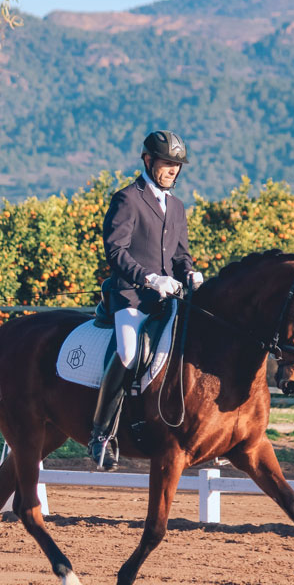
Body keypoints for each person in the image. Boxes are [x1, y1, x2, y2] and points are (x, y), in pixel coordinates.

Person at [88, 130, 203, 470]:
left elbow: (180, 254)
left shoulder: (178, 206)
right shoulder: (128, 199)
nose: (173, 170)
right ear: (148, 161)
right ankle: (101, 435)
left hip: (170, 299)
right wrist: (149, 278)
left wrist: (189, 273)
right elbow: (116, 250)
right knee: (127, 351)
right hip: (132, 298)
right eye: (167, 163)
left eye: (177, 165)